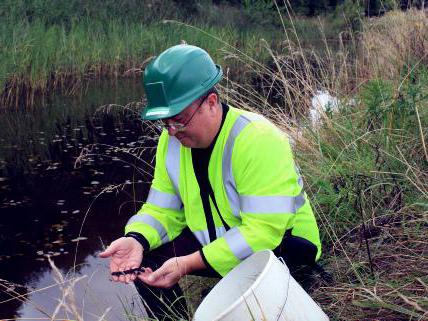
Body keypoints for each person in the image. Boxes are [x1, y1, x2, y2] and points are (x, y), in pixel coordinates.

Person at [100, 44, 322, 320]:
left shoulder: (257, 138)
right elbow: (161, 210)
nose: (172, 132)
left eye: (179, 120)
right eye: (164, 122)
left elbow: (264, 231)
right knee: (142, 256)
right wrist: (136, 239)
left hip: (285, 247)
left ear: (212, 102)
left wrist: (188, 264)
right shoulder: (169, 143)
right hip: (220, 245)